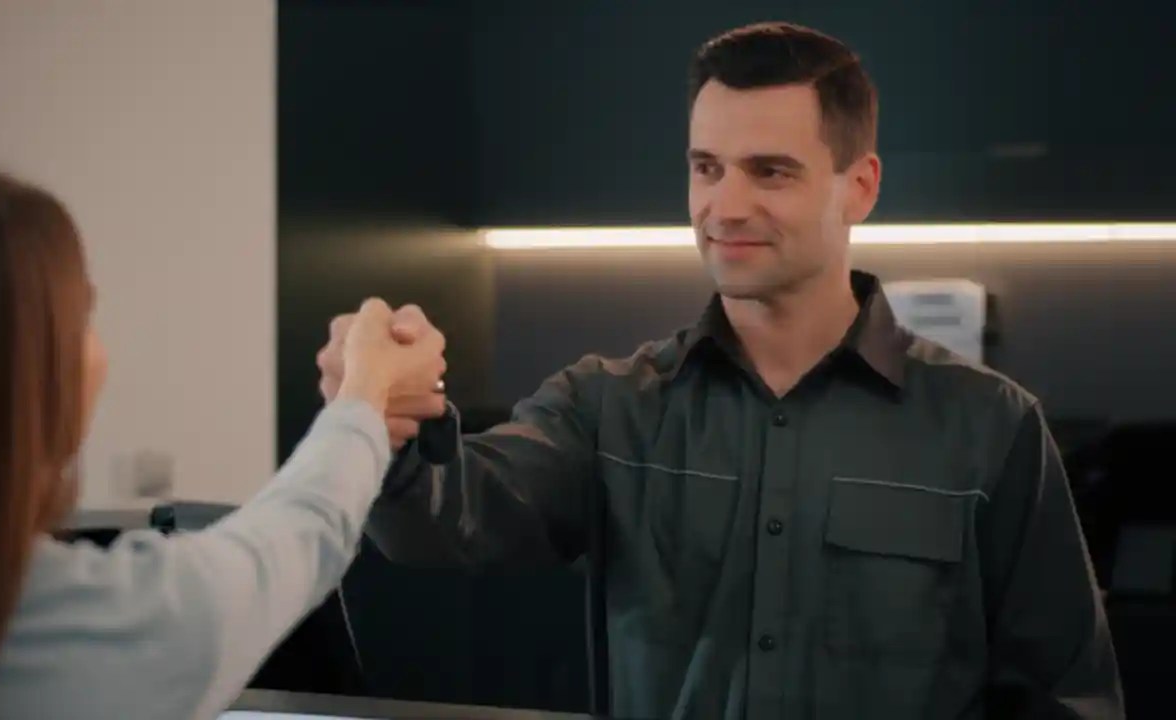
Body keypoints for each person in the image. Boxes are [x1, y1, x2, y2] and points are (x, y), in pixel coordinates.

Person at [317, 21, 1125, 720]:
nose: (725, 207)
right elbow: (448, 520)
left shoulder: (990, 426)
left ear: (859, 187)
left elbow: (1067, 699)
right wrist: (387, 419)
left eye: (769, 171)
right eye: (707, 167)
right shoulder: (609, 407)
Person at [0, 157, 446, 720]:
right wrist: (367, 392)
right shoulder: (98, 625)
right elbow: (303, 533)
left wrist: (363, 402)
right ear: (25, 370)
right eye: (82, 320)